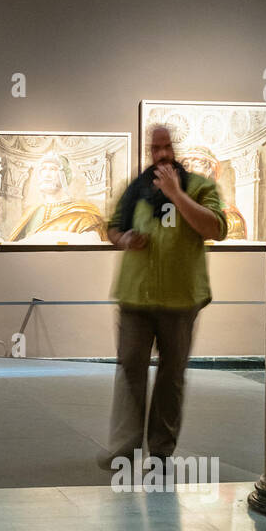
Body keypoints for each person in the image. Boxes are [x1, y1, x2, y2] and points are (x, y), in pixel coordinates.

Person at [98, 124, 228, 472]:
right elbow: (111, 228)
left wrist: (176, 194)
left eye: (166, 147)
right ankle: (126, 448)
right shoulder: (135, 189)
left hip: (180, 300)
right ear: (149, 151)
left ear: (175, 148)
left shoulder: (201, 187)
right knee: (130, 371)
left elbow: (215, 229)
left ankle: (160, 453)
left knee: (171, 376)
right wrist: (123, 240)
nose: (161, 154)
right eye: (155, 148)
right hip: (135, 297)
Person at [9, 151, 108, 242]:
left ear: (65, 176)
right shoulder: (31, 212)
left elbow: (92, 243)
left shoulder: (84, 214)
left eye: (53, 169)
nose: (46, 175)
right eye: (43, 169)